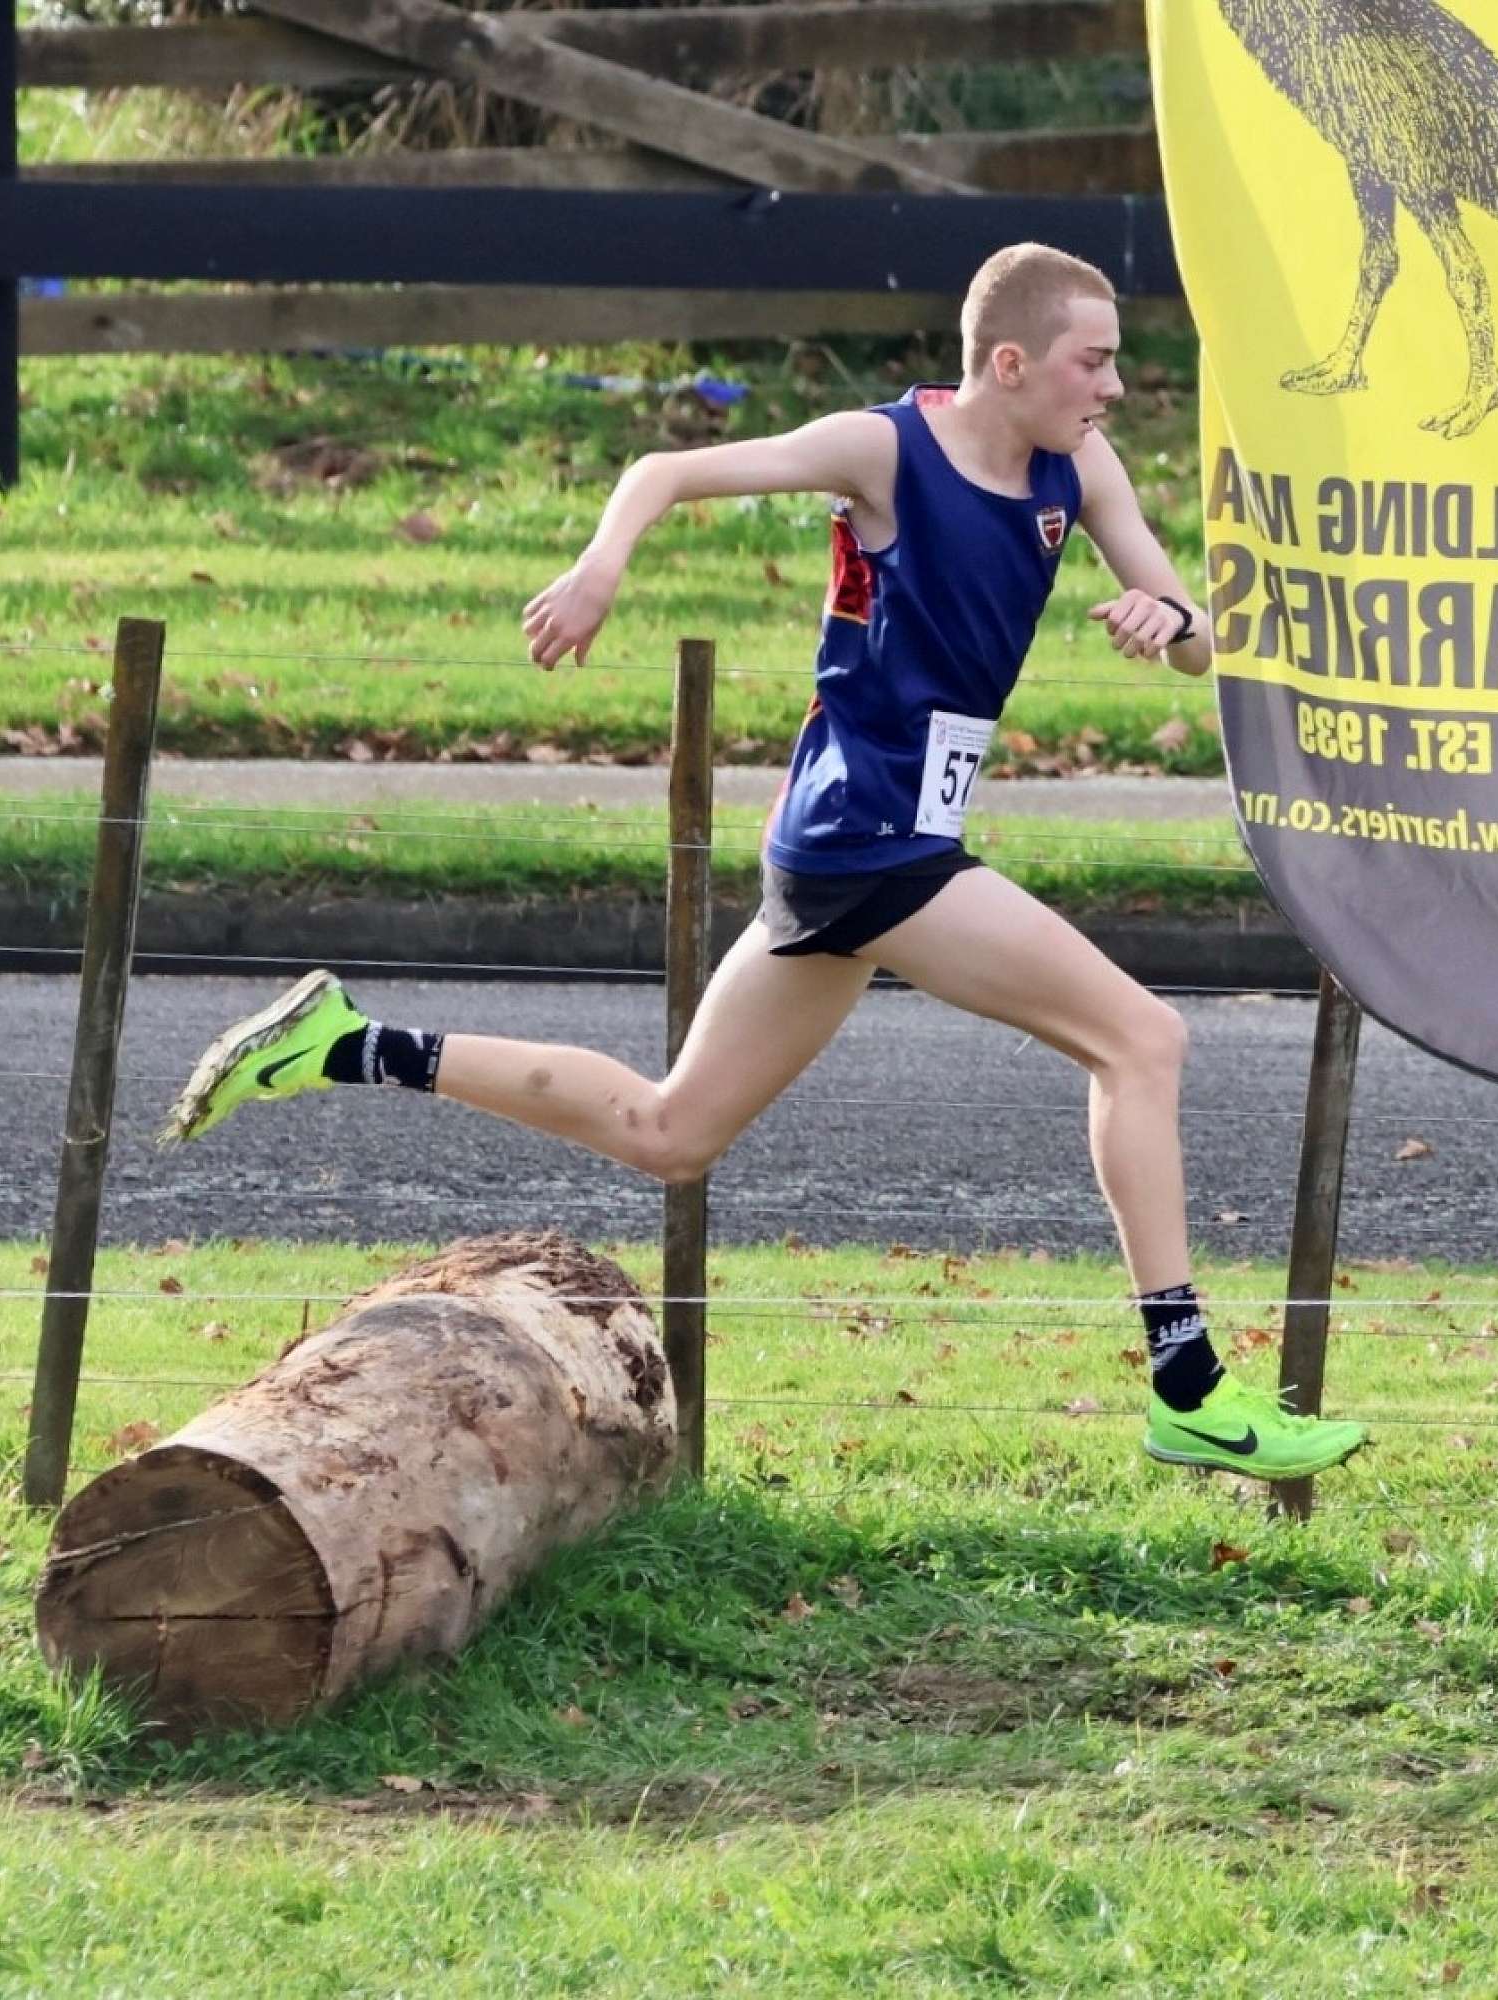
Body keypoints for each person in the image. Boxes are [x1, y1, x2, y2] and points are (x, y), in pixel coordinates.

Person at [164, 242, 1367, 1483]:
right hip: (871, 838)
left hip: (860, 843)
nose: (1114, 386)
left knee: (670, 1129)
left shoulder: (1080, 464)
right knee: (1142, 1039)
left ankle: (346, 1043)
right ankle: (1187, 1384)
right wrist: (598, 567)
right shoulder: (882, 449)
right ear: (1009, 363)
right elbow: (663, 469)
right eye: (1093, 361)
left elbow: (1194, 638)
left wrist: (1172, 620)